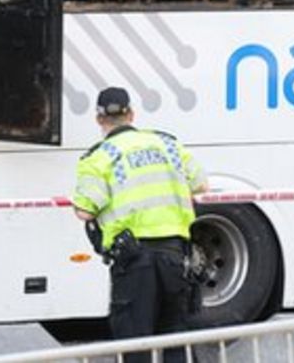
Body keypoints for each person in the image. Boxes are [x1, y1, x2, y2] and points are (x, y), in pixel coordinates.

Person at [72, 87, 208, 363]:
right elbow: (202, 184)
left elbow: (85, 211)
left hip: (134, 263)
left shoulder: (98, 158)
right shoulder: (168, 145)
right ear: (132, 114)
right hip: (176, 258)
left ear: (99, 120)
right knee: (175, 341)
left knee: (134, 345)